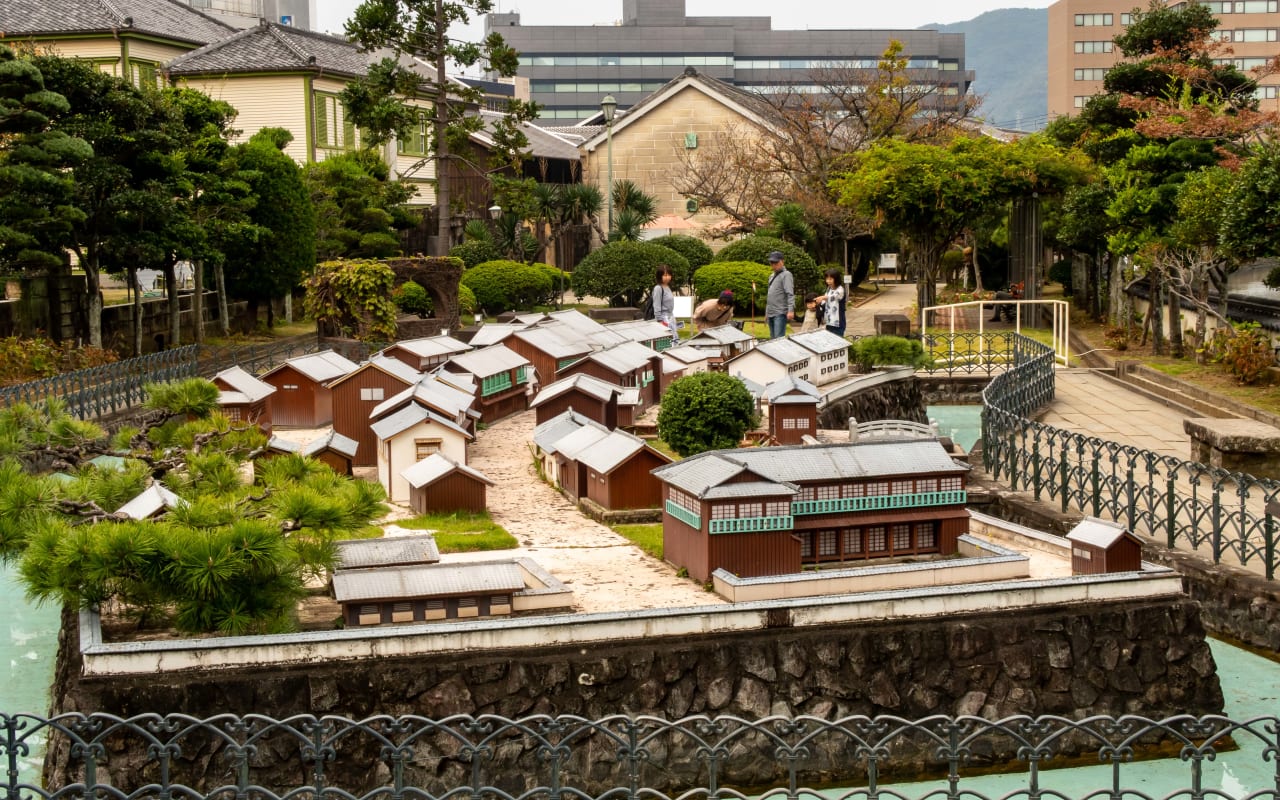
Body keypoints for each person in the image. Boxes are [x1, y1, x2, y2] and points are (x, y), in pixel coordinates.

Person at [765, 250, 794, 339]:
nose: (774, 265)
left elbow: (790, 293)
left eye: (776, 263)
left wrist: (790, 310)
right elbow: (769, 296)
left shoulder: (787, 275)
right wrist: (766, 313)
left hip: (780, 312)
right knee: (772, 339)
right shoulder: (771, 276)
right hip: (771, 312)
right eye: (772, 263)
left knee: (779, 339)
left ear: (782, 261)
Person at [651, 264, 677, 333]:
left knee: (673, 341)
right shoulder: (658, 288)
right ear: (660, 276)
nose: (667, 277)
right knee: (666, 341)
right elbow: (656, 306)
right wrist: (660, 321)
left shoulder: (667, 287)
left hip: (670, 317)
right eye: (665, 275)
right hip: (663, 319)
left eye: (669, 275)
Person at [822, 268, 847, 337]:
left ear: (836, 279)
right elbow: (824, 301)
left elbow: (833, 297)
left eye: (830, 279)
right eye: (827, 279)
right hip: (829, 321)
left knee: (838, 341)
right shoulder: (828, 289)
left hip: (838, 322)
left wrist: (823, 298)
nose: (828, 281)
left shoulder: (840, 289)